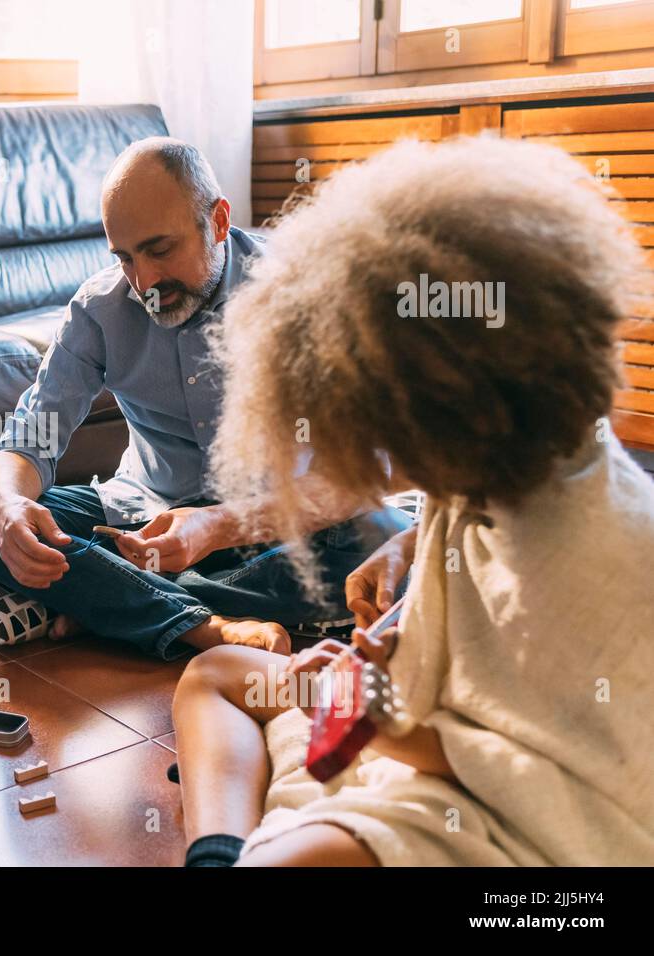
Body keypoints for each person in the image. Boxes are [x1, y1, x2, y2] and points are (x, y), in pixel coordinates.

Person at [172, 135, 654, 867]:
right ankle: (218, 856)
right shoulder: (508, 462)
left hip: (512, 829)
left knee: (301, 858)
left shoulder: (615, 561)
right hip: (419, 739)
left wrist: (387, 726)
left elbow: (584, 798)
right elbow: (469, 570)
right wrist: (404, 584)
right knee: (215, 674)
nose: (388, 463)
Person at [0, 137, 410, 660]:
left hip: (276, 521)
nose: (144, 281)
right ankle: (197, 622)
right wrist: (11, 502)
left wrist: (217, 525)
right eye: (124, 257)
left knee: (385, 536)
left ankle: (117, 602)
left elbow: (363, 476)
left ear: (217, 221)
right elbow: (31, 438)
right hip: (141, 515)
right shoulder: (99, 310)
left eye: (160, 249)